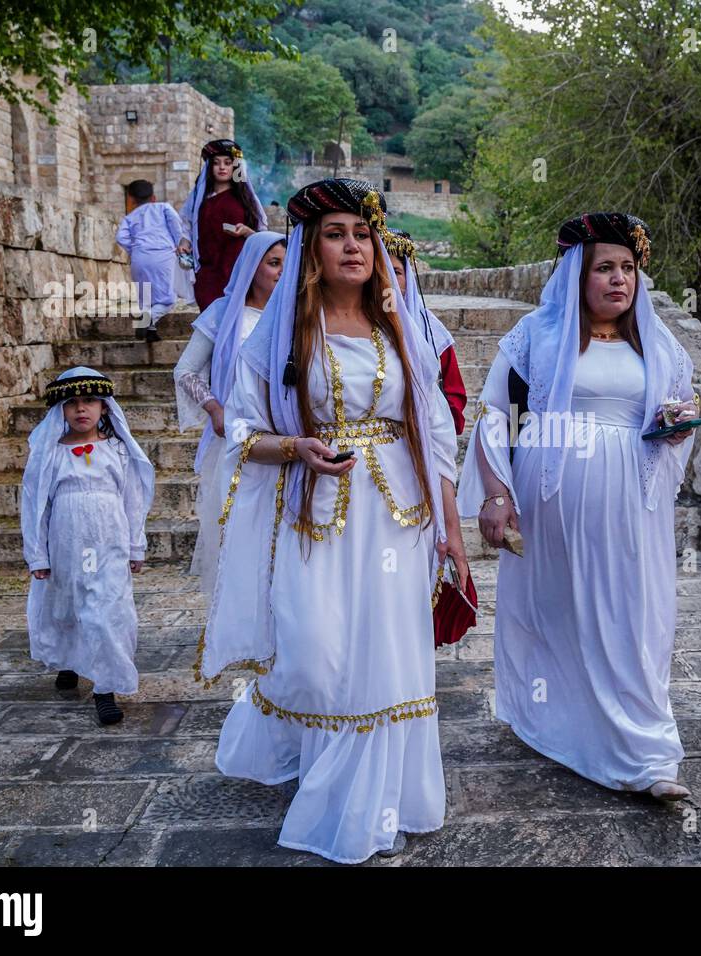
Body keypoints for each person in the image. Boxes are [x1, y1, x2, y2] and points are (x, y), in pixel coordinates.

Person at [196, 178, 466, 863]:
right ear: (311, 249)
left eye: (362, 234)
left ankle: (368, 802)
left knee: (383, 655)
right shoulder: (282, 335)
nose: (353, 246)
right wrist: (297, 449)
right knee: (315, 651)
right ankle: (320, 764)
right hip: (312, 513)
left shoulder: (400, 327)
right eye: (336, 234)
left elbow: (435, 431)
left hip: (397, 517)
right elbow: (241, 435)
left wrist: (452, 533)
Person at [456, 212, 701, 801]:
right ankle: (558, 724)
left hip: (631, 506)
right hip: (552, 505)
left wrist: (677, 428)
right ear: (577, 275)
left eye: (628, 268)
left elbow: (679, 410)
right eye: (605, 268)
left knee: (634, 615)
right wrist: (496, 494)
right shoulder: (535, 336)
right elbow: (496, 415)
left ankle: (646, 750)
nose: (619, 280)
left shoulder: (659, 343)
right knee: (561, 614)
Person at [21, 367, 156, 725]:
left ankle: (105, 688)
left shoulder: (118, 452)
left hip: (108, 541)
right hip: (66, 542)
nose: (81, 409)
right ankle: (69, 661)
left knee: (105, 611)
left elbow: (133, 499)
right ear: (61, 411)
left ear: (105, 407)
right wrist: (37, 553)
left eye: (90, 402)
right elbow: (36, 504)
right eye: (73, 403)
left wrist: (134, 545)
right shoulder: (49, 454)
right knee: (67, 605)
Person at [173, 230, 286, 595]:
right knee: (238, 536)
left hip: (284, 441)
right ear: (252, 267)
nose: (282, 271)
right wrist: (214, 407)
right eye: (273, 263)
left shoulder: (295, 316)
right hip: (234, 442)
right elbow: (186, 370)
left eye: (287, 263)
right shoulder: (223, 313)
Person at [383, 228, 469, 433]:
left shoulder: (431, 329)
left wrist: (440, 424)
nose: (390, 281)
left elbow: (453, 389)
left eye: (396, 272)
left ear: (408, 278)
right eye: (382, 272)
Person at [178, 138, 267, 311]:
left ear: (235, 167)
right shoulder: (199, 198)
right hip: (207, 270)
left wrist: (247, 231)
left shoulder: (245, 198)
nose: (222, 167)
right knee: (210, 315)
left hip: (238, 268)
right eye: (216, 163)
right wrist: (184, 241)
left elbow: (262, 232)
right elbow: (186, 224)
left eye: (227, 163)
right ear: (209, 168)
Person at [114, 180, 186, 340]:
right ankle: (148, 321)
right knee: (168, 298)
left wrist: (135, 249)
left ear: (131, 199)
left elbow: (120, 237)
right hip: (163, 256)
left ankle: (151, 331)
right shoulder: (163, 208)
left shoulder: (129, 217)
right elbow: (176, 225)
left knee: (146, 297)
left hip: (139, 259)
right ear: (153, 197)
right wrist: (178, 244)